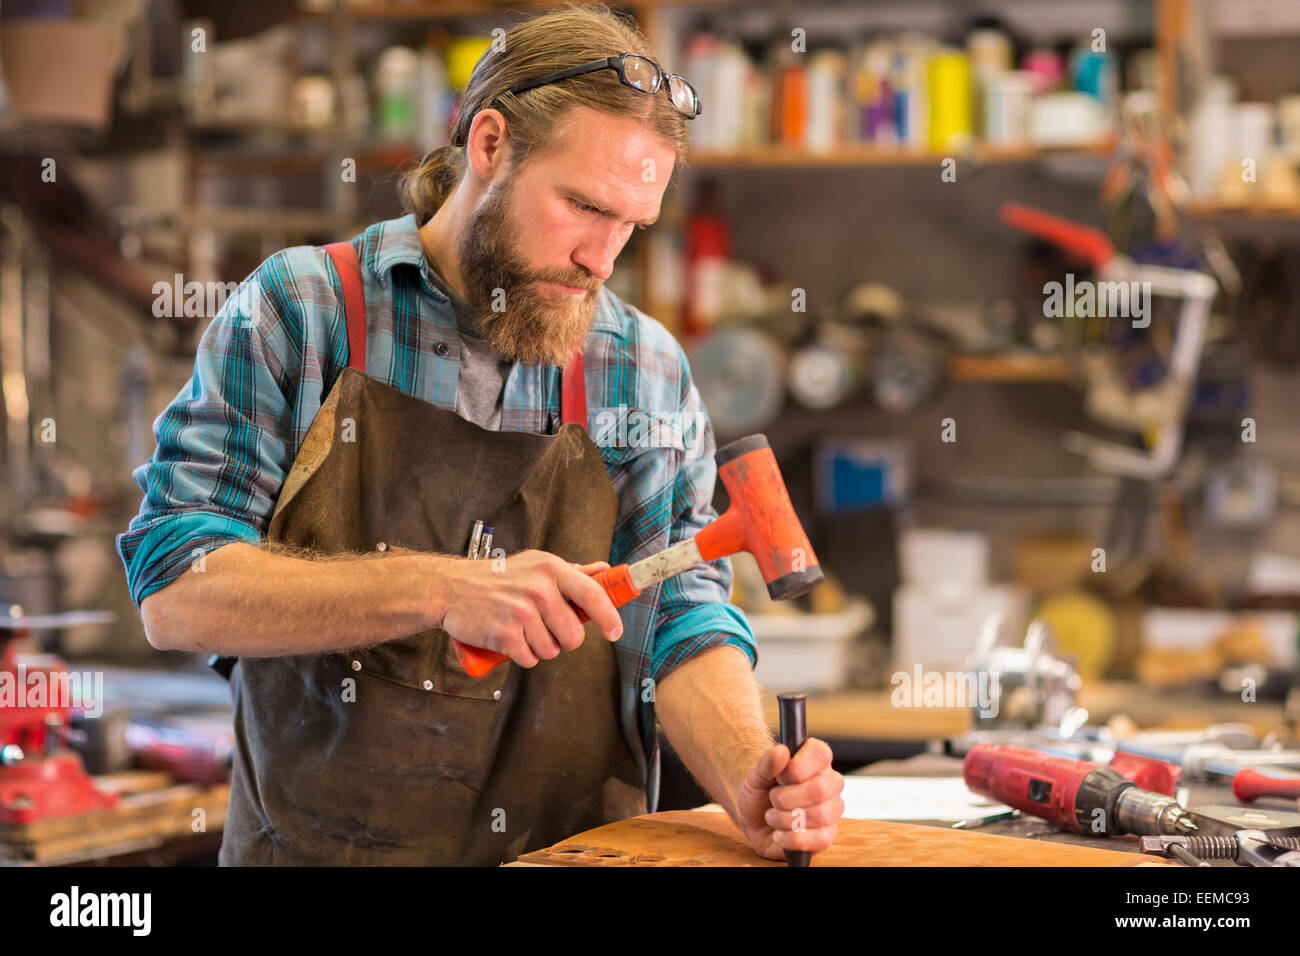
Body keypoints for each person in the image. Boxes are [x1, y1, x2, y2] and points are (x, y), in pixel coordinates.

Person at [118, 4, 844, 865]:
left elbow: (678, 617)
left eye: (630, 226)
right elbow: (176, 588)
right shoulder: (302, 313)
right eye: (581, 206)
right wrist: (441, 590)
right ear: (490, 144)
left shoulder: (640, 368)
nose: (600, 259)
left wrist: (747, 775)